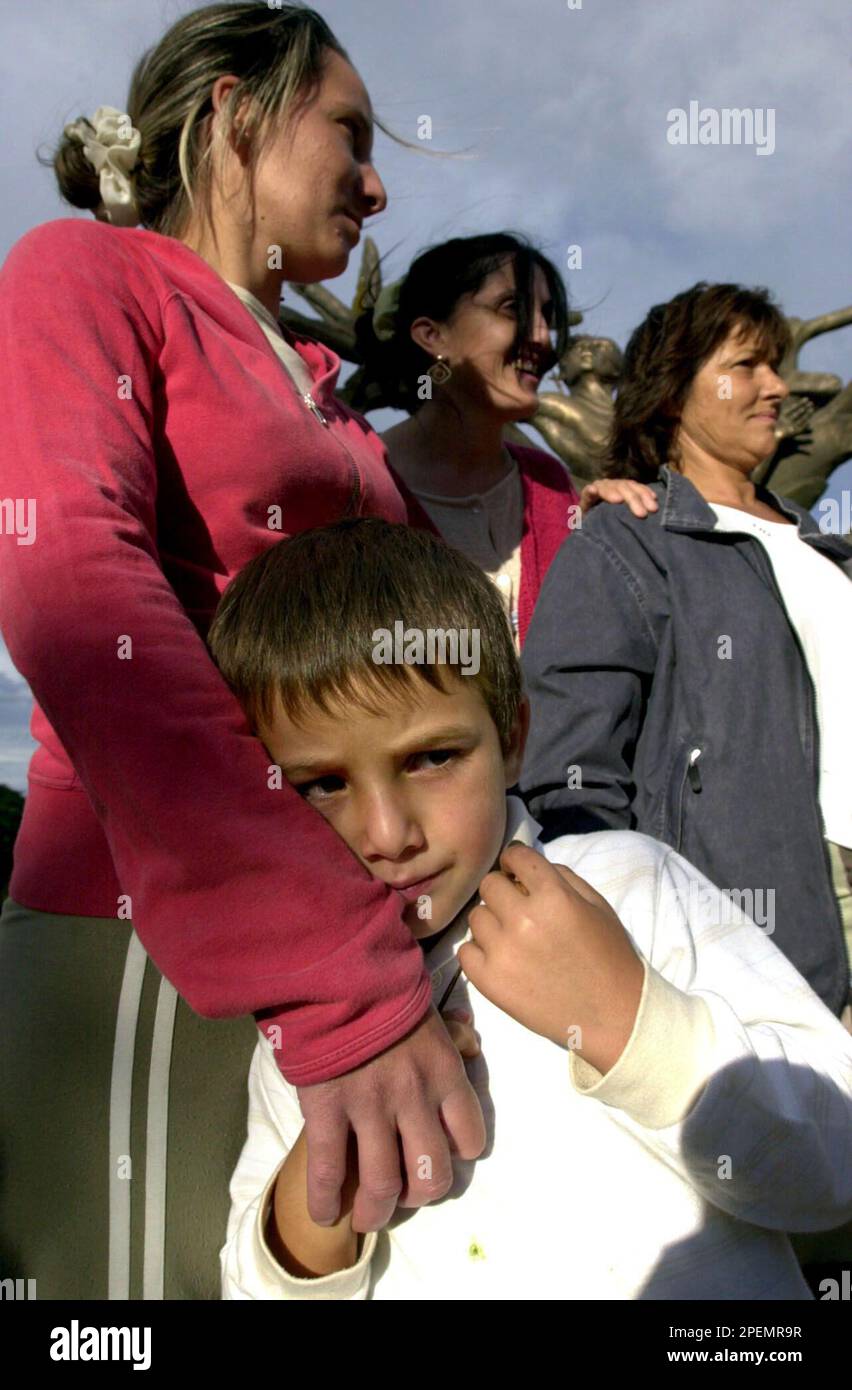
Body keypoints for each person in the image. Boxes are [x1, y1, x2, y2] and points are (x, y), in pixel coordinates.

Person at [0, 2, 488, 1300]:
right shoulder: (85, 275)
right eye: (351, 134)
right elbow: (66, 573)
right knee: (138, 1307)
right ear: (232, 113)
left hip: (366, 921)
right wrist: (328, 969)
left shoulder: (317, 378)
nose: (378, 184)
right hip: (150, 932)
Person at [204, 517, 852, 1300]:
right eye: (322, 784)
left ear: (512, 738)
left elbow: (832, 1163)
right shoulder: (314, 1016)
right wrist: (334, 1169)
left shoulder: (628, 886)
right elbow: (251, 1287)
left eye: (432, 758)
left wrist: (627, 1020)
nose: (386, 834)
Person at [519, 282, 852, 1026]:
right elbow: (573, 774)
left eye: (778, 366)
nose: (777, 386)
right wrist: (630, 952)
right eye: (748, 366)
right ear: (672, 394)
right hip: (771, 933)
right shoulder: (625, 539)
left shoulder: (826, 549)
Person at [371, 235, 656, 649]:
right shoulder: (360, 482)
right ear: (433, 335)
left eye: (546, 315)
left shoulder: (552, 487)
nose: (541, 337)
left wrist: (598, 533)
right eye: (511, 309)